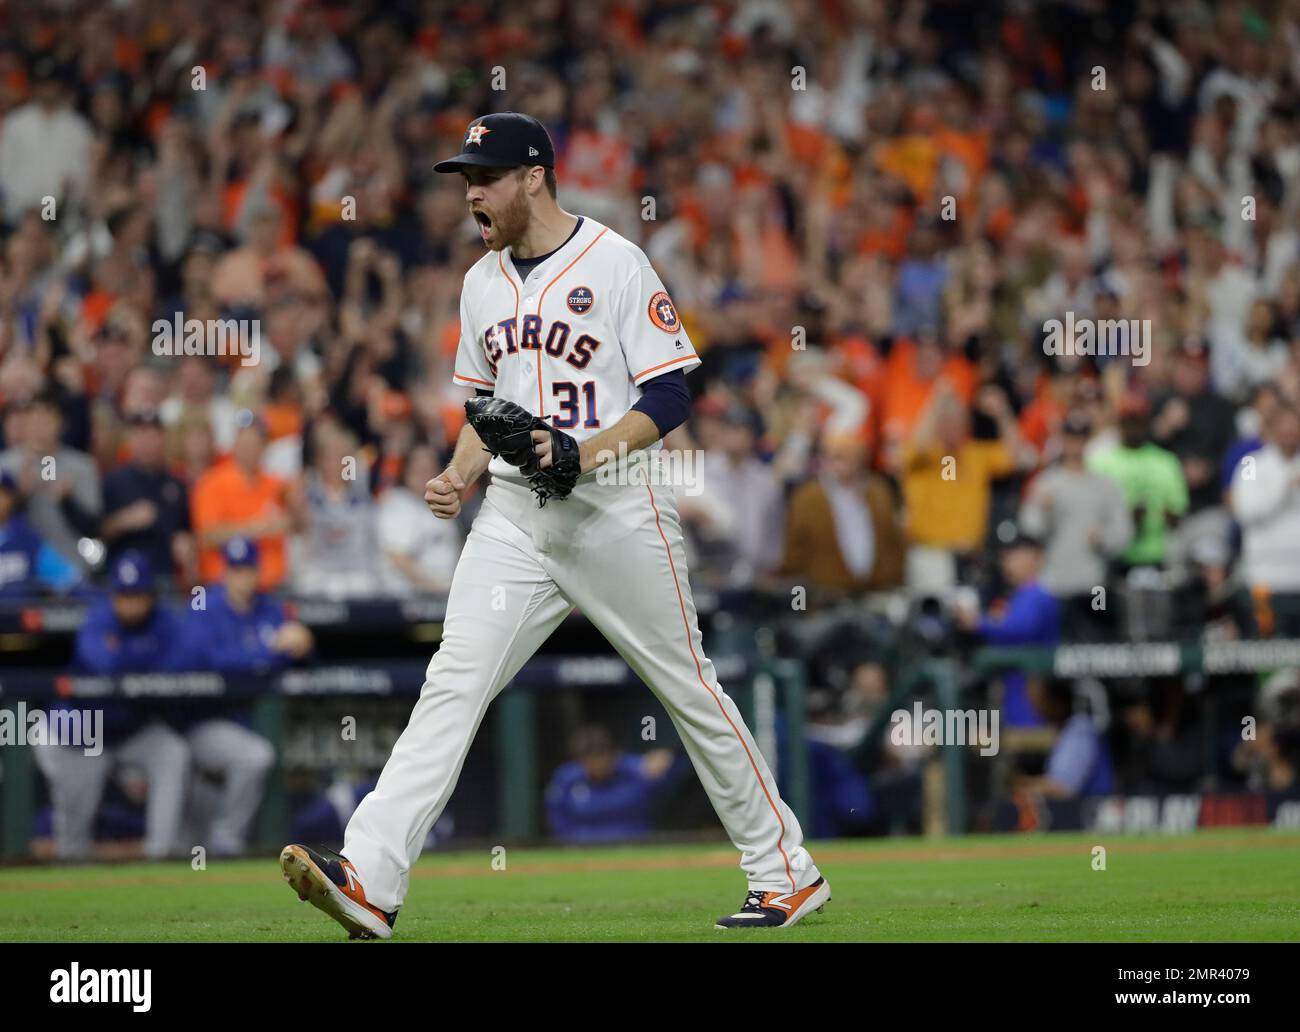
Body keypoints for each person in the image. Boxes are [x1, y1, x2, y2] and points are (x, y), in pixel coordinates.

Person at [280, 112, 830, 938]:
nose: (471, 192)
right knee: (452, 684)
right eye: (465, 178)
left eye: (486, 176)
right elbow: (482, 407)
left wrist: (589, 452)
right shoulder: (481, 282)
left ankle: (786, 873)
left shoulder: (614, 262)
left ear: (534, 175)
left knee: (687, 686)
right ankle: (370, 876)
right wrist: (460, 474)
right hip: (512, 517)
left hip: (615, 509)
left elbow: (673, 392)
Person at [36, 552, 190, 860]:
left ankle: (160, 855)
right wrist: (147, 658)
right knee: (75, 839)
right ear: (113, 594)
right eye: (124, 595)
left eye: (138, 595)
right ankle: (72, 860)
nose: (130, 603)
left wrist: (128, 654)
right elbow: (105, 664)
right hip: (83, 732)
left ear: (151, 596)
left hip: (130, 729)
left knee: (173, 751)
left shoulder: (165, 620)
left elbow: (180, 662)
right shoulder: (97, 618)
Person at [175, 537, 307, 856]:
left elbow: (296, 651)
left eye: (247, 569)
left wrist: (304, 644)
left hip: (248, 721)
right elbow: (210, 661)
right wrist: (268, 652)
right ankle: (227, 842)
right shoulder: (204, 604)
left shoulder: (269, 608)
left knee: (195, 834)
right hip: (202, 721)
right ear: (225, 571)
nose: (242, 577)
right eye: (235, 569)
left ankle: (215, 850)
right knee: (253, 756)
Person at [1019, 414, 1132, 641]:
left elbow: (1123, 533)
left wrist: (1102, 537)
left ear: (1088, 440)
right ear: (1063, 439)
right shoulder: (1047, 482)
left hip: (1095, 583)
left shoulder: (1105, 485)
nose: (1075, 444)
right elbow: (1029, 527)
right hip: (1054, 582)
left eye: (1080, 437)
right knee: (1056, 651)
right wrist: (1044, 510)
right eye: (1071, 437)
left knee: (1097, 646)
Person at [956, 529, 1061, 728]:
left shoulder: (1039, 593)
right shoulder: (1017, 595)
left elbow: (1020, 628)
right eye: (1005, 557)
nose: (1006, 562)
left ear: (1034, 556)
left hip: (1033, 693)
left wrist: (978, 622)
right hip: (1012, 691)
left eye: (1013, 555)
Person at [190, 409, 291, 590]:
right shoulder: (212, 482)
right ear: (235, 444)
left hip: (274, 586)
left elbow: (296, 524)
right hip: (224, 587)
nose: (250, 448)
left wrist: (294, 515)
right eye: (245, 442)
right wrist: (255, 528)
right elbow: (207, 536)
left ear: (265, 446)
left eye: (256, 443)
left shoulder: (278, 484)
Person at [1229, 400, 1300, 637]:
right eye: (1284, 425)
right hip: (1265, 576)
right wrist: (1284, 488)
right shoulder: (1251, 463)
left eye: (1295, 425)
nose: (1290, 431)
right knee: (1266, 651)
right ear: (1272, 428)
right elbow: (1244, 511)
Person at [101, 408, 195, 584]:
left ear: (162, 439)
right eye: (141, 435)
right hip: (123, 575)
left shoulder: (176, 484)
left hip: (162, 576)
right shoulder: (113, 482)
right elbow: (96, 533)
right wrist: (123, 521)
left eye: (153, 436)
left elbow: (185, 529)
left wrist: (185, 544)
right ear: (131, 439)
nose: (147, 442)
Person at [544, 726, 676, 843]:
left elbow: (662, 777)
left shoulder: (634, 769)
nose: (597, 764)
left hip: (633, 843)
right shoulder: (567, 778)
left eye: (601, 756)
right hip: (582, 847)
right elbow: (556, 817)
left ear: (612, 755)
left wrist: (665, 760)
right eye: (590, 758)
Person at [377, 441, 462, 595]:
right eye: (418, 468)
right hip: (408, 598)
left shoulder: (441, 501)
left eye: (430, 468)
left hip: (445, 594)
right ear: (406, 472)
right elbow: (398, 556)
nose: (425, 474)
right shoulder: (397, 503)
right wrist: (432, 588)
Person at [0, 468, 80, 597]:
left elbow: (70, 581)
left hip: (18, 614)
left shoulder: (26, 538)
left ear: (11, 498)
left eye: (1, 493)